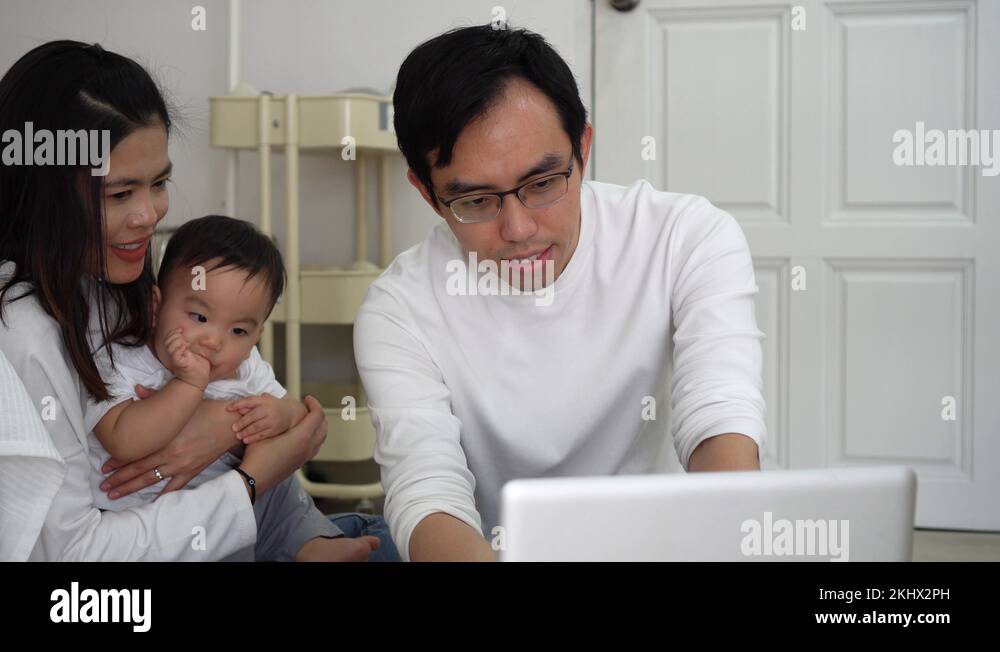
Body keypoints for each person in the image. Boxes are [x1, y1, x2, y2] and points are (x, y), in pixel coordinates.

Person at [354, 25, 768, 561]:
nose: (520, 229)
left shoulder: (684, 237)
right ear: (428, 195)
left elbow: (720, 417)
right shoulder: (398, 311)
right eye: (476, 201)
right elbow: (428, 494)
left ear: (584, 149)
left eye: (544, 183)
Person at [0, 40, 397, 561]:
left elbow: (284, 412)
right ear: (44, 189)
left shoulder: (118, 277)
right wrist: (250, 478)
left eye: (159, 183)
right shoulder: (24, 330)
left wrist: (235, 427)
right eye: (119, 194)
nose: (149, 215)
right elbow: (75, 558)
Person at [85, 215, 383, 561]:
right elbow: (123, 441)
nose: (214, 341)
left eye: (238, 331)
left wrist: (280, 413)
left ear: (257, 335)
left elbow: (301, 419)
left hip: (235, 498)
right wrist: (188, 384)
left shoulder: (244, 367)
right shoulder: (124, 355)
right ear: (156, 306)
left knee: (278, 479)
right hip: (150, 522)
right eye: (199, 317)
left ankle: (309, 542)